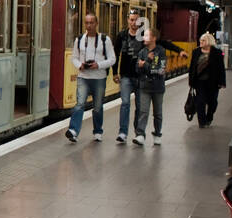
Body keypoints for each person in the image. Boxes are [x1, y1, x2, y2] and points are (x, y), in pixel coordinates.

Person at [66, 13, 115, 142]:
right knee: (80, 104)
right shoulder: (80, 39)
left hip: (99, 78)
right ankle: (73, 130)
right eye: (86, 23)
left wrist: (98, 65)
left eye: (91, 23)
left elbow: (112, 59)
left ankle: (98, 131)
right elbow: (74, 57)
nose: (89, 25)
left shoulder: (105, 40)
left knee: (98, 106)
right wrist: (80, 65)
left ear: (96, 23)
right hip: (83, 77)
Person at [113, 11, 144, 144]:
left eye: (136, 20)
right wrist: (115, 72)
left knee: (139, 105)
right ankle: (123, 132)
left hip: (140, 76)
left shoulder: (144, 36)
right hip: (125, 75)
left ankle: (138, 133)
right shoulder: (121, 36)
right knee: (125, 103)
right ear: (128, 20)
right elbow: (116, 53)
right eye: (131, 20)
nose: (133, 23)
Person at [133, 28, 167, 146]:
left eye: (146, 35)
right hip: (144, 87)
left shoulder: (161, 51)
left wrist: (145, 64)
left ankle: (157, 134)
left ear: (154, 38)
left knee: (157, 113)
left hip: (158, 87)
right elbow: (137, 69)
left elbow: (160, 70)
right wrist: (148, 61)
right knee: (143, 111)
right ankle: (140, 134)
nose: (143, 38)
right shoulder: (142, 52)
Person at [188, 32, 226, 128]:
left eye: (203, 40)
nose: (201, 42)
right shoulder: (196, 52)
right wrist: (191, 81)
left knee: (212, 102)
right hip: (199, 82)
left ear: (209, 41)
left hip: (213, 83)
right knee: (200, 102)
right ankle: (202, 122)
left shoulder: (217, 53)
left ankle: (209, 117)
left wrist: (222, 82)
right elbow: (192, 67)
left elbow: (221, 68)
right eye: (200, 40)